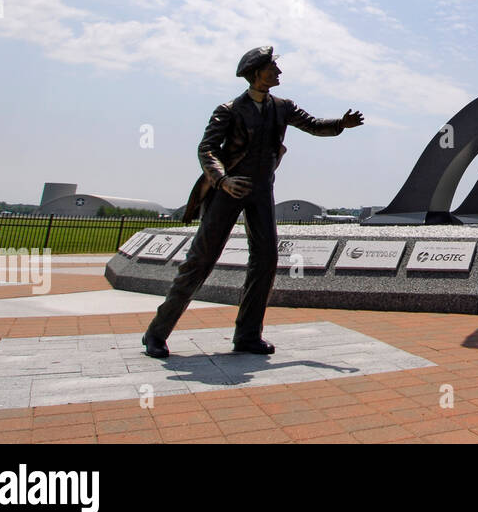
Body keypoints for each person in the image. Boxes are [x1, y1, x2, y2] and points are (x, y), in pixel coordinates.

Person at [142, 46, 364, 358]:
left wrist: (341, 123)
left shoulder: (282, 106)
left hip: (261, 190)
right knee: (200, 261)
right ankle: (157, 333)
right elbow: (207, 149)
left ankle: (247, 335)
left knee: (266, 260)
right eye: (273, 68)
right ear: (256, 72)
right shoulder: (229, 109)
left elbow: (313, 125)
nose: (279, 73)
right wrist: (222, 180)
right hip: (228, 190)